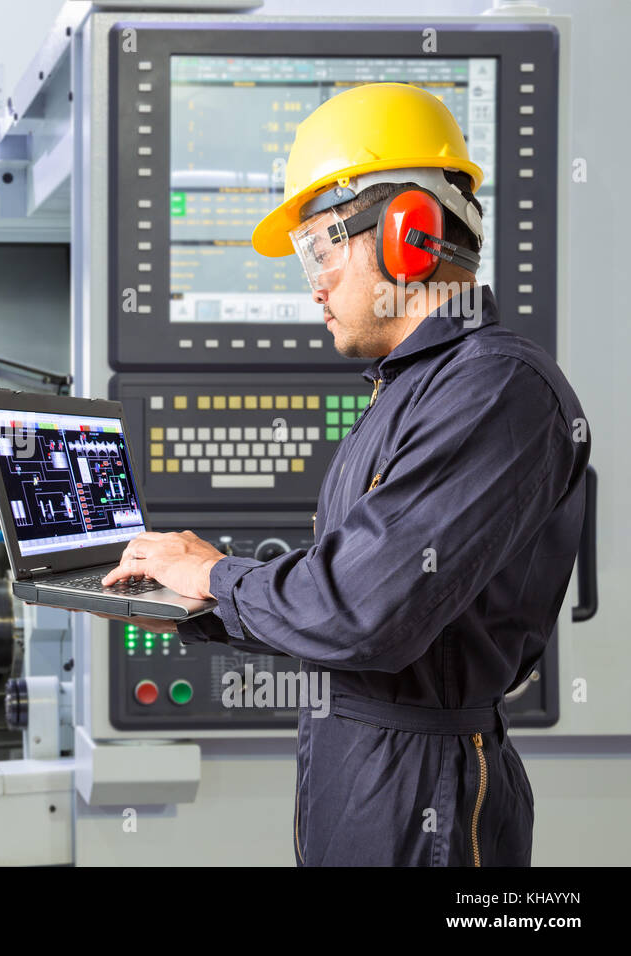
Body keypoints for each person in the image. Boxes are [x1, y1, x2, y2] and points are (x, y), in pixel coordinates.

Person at [101, 83, 589, 866]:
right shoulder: (411, 389)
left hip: (422, 792)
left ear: (410, 233)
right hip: (359, 768)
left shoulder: (495, 389)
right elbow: (343, 593)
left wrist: (217, 575)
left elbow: (363, 611)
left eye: (321, 248)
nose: (314, 283)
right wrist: (186, 600)